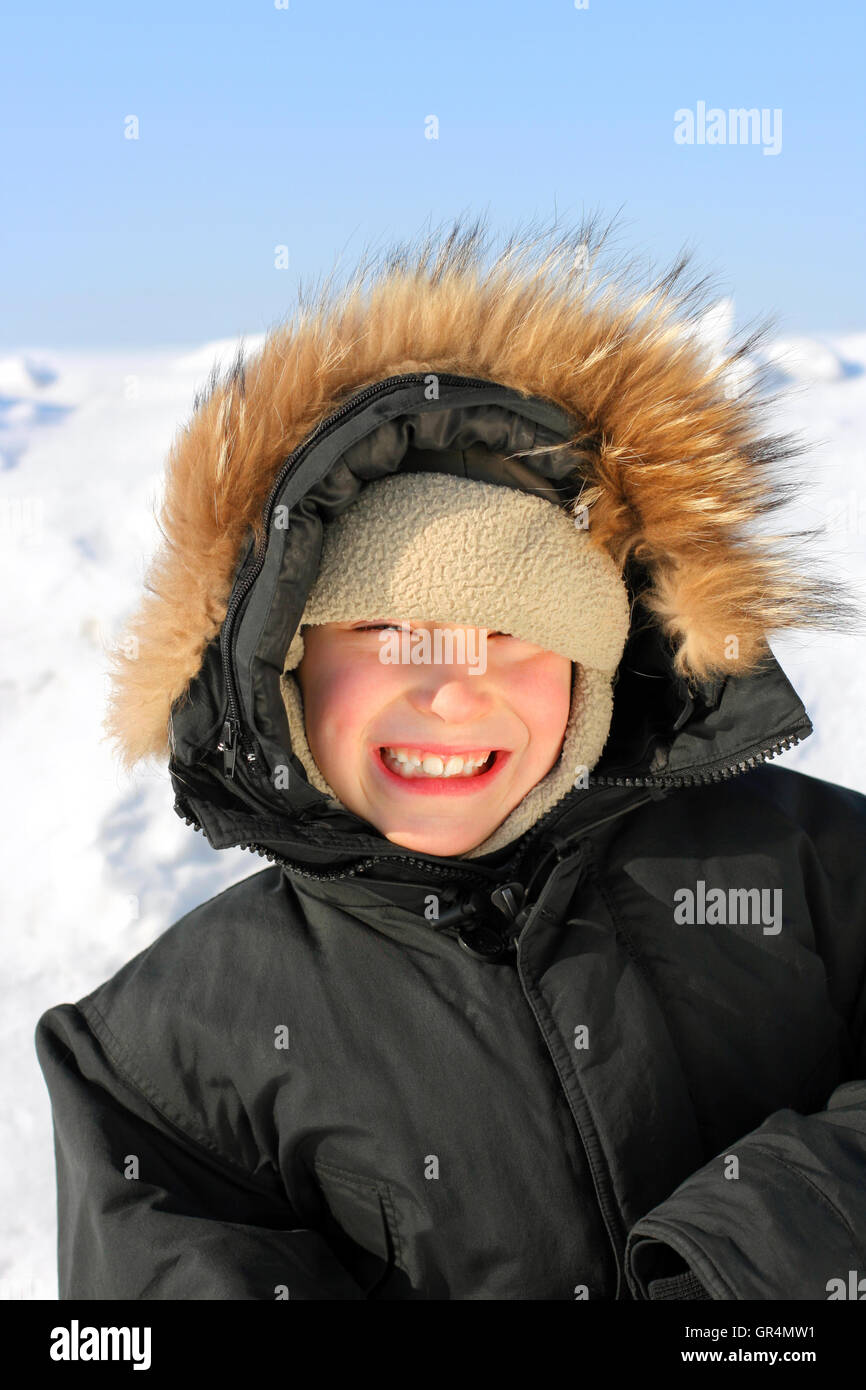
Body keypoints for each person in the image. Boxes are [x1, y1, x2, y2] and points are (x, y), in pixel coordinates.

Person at [35, 217, 866, 1300]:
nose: (449, 687)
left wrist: (738, 1276)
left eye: (511, 636)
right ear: (285, 670)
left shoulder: (814, 870)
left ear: (591, 673)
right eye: (383, 633)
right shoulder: (160, 1060)